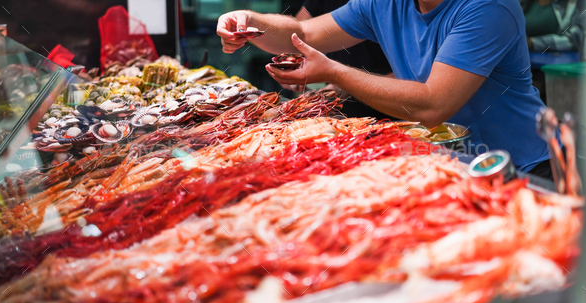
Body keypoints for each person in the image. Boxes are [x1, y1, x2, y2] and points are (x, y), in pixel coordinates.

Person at [216, 0, 553, 177]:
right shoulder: (383, 3)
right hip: (451, 164)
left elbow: (434, 104)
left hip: (518, 168)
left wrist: (335, 72)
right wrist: (252, 22)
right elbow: (304, 33)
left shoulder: (487, 7)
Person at [293, 1, 393, 119]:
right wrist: (293, 61)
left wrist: (345, 82)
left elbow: (413, 77)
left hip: (392, 108)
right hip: (337, 108)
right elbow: (300, 31)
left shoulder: (387, 5)